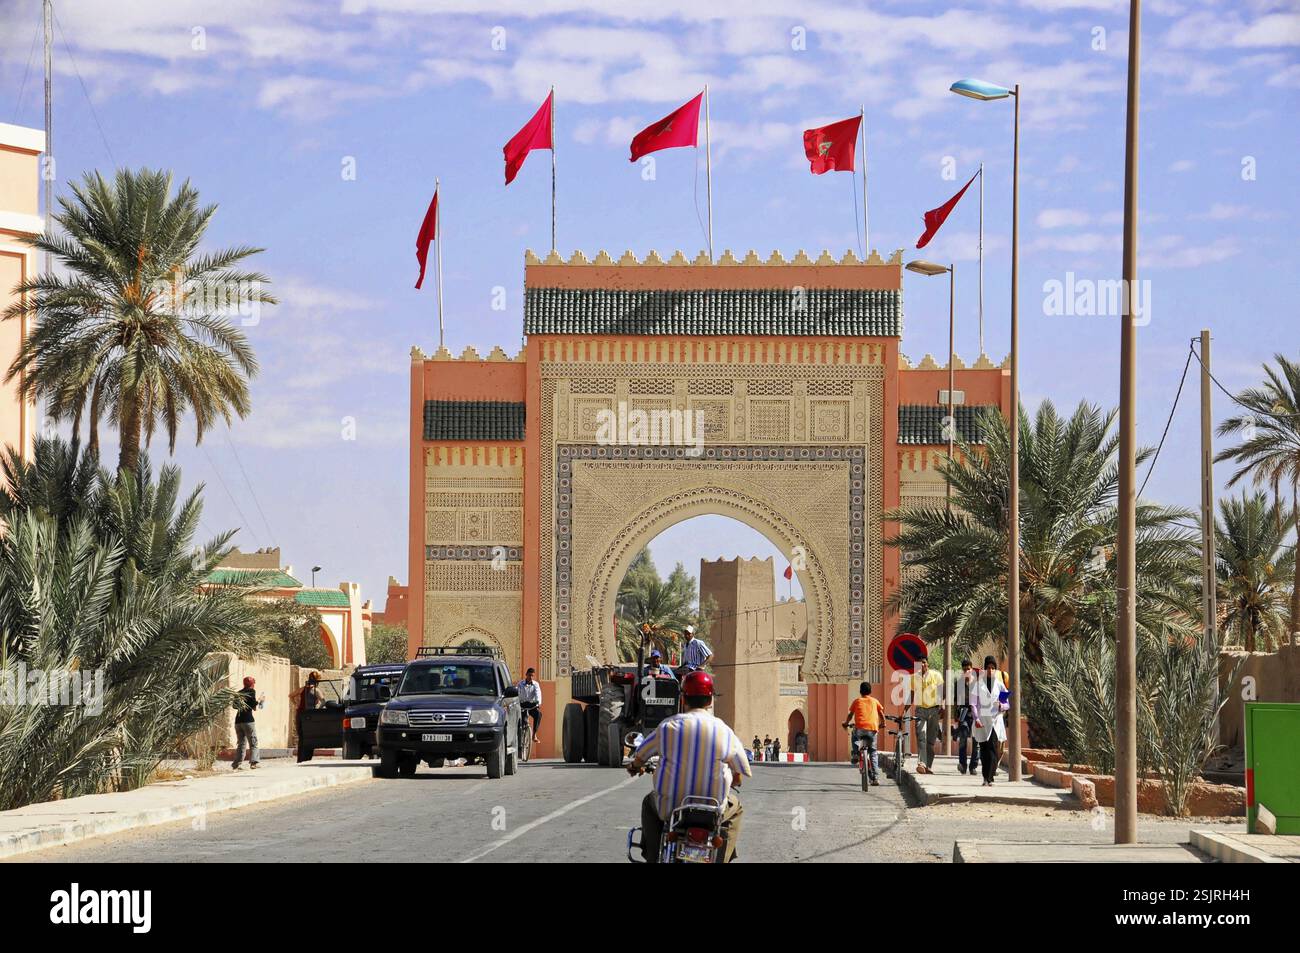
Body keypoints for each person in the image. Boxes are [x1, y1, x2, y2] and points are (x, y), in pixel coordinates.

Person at [628, 671, 751, 863]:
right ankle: (721, 858)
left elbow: (640, 755)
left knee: (648, 803)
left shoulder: (667, 727)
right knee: (735, 807)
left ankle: (653, 857)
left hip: (671, 809)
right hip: (711, 811)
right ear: (710, 700)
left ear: (683, 698)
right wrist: (735, 778)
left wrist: (635, 766)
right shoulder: (724, 731)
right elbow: (741, 770)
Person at [969, 655, 1010, 786]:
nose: (990, 670)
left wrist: (1001, 706)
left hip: (995, 720)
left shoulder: (1000, 685)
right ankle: (985, 777)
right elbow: (973, 704)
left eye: (993, 668)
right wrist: (976, 718)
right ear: (985, 669)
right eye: (988, 667)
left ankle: (990, 777)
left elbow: (1007, 704)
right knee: (984, 749)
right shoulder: (978, 685)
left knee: (993, 748)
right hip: (982, 720)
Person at [841, 681, 884, 784]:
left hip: (860, 729)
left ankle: (856, 753)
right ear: (870, 691)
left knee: (854, 734)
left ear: (860, 691)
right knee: (873, 752)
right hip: (872, 730)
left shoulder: (857, 701)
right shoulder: (875, 701)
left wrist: (846, 723)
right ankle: (875, 777)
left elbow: (850, 715)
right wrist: (883, 723)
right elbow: (881, 714)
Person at [907, 657, 944, 774]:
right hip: (920, 711)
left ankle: (928, 766)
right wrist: (904, 710)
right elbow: (911, 696)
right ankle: (921, 763)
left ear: (928, 663)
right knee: (921, 736)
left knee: (930, 741)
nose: (922, 665)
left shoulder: (936, 675)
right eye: (919, 663)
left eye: (924, 662)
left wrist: (943, 705)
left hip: (934, 711)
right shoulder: (914, 678)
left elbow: (942, 692)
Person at [953, 659, 981, 776]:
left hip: (976, 713)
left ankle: (973, 766)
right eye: (964, 670)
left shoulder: (978, 683)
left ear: (971, 669)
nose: (967, 671)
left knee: (976, 740)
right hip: (963, 713)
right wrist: (955, 716)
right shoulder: (959, 683)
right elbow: (955, 700)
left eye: (968, 669)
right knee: (963, 737)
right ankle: (962, 765)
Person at [232, 676, 263, 770]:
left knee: (241, 743)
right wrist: (259, 700)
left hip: (238, 721)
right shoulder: (251, 691)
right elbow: (253, 704)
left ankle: (237, 764)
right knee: (253, 742)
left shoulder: (239, 693)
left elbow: (234, 706)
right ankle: (254, 763)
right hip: (248, 720)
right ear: (252, 684)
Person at [296, 671, 323, 763]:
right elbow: (323, 701)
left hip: (300, 714)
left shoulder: (303, 689)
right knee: (310, 737)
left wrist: (297, 704)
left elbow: (291, 695)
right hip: (310, 715)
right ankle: (306, 758)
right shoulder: (316, 690)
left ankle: (300, 759)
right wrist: (318, 709)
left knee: (302, 737)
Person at [516, 667, 542, 743]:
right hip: (522, 705)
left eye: (532, 676)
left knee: (538, 715)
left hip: (532, 705)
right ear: (526, 675)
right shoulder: (520, 684)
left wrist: (538, 702)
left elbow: (538, 693)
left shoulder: (536, 684)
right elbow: (517, 693)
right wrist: (517, 702)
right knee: (521, 720)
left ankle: (534, 734)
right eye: (529, 675)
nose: (531, 677)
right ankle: (519, 736)